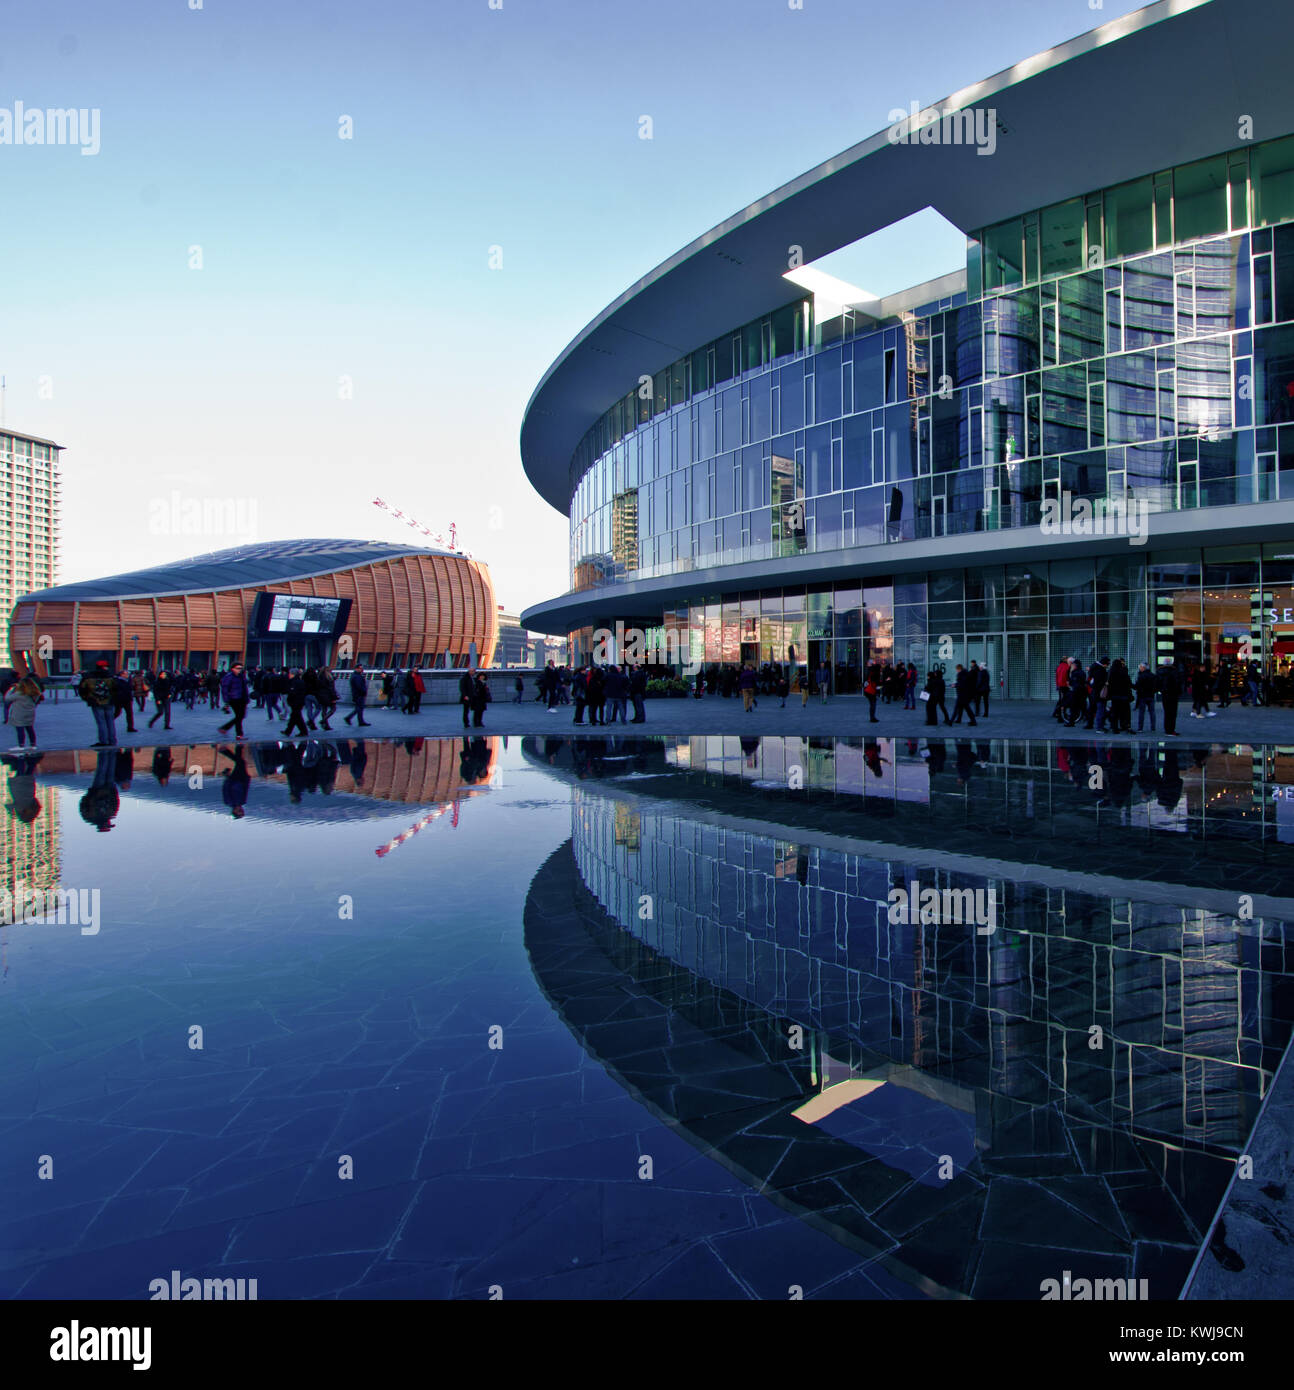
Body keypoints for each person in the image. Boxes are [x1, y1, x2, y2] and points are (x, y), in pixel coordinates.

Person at [79, 661, 119, 747]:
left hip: (95, 702)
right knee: (110, 722)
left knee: (101, 722)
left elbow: (82, 689)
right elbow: (117, 689)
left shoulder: (88, 677)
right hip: (109, 702)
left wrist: (87, 698)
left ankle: (103, 741)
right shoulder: (111, 676)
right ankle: (112, 740)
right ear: (105, 667)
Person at [4, 674, 42, 749]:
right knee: (30, 728)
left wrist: (10, 690)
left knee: (20, 729)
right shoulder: (35, 694)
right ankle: (33, 745)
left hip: (19, 714)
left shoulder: (19, 694)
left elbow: (7, 699)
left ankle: (21, 745)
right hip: (30, 713)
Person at [218, 661, 252, 739]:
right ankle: (238, 734)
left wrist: (247, 698)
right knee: (239, 716)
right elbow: (225, 689)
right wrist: (226, 701)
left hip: (242, 698)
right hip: (234, 699)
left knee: (240, 716)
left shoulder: (241, 676)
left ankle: (228, 729)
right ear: (233, 668)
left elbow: (245, 687)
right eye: (238, 668)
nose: (240, 670)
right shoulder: (229, 677)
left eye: (241, 668)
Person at [1105, 658, 1133, 733]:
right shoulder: (1123, 672)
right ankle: (1124, 725)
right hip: (1123, 695)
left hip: (1114, 695)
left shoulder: (1111, 672)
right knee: (1124, 712)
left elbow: (1109, 684)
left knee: (1115, 712)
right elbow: (1128, 683)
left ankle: (1114, 727)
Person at [1084, 656, 1109, 732]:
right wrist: (1105, 683)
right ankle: (1099, 727)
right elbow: (1099, 682)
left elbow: (1091, 682)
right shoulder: (1100, 670)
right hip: (1099, 693)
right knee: (1100, 710)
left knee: (1096, 709)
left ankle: (1094, 724)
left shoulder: (1094, 669)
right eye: (1107, 664)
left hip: (1094, 692)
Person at [1157, 658, 1180, 736]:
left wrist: (1161, 690)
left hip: (1165, 694)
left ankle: (1167, 729)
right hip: (1173, 694)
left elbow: (1158, 683)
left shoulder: (1160, 671)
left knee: (1167, 712)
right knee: (1173, 713)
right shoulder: (1174, 671)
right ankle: (1171, 729)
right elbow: (1177, 683)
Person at [1133, 662, 1157, 732]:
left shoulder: (1141, 676)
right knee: (1152, 712)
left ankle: (1140, 728)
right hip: (1151, 695)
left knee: (1141, 712)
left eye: (1140, 667)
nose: (1139, 668)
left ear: (1143, 668)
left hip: (1142, 696)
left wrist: (1132, 686)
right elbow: (1156, 686)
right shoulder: (1153, 675)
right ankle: (1153, 727)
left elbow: (1137, 686)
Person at [113, 669, 137, 734]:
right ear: (122, 674)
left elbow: (131, 688)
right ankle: (109, 722)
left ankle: (130, 727)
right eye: (126, 674)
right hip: (119, 699)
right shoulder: (117, 681)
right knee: (117, 713)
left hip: (128, 699)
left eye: (128, 674)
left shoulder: (129, 680)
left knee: (129, 713)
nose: (127, 675)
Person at [1053, 656, 1071, 721]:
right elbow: (1067, 677)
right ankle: (1060, 715)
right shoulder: (1067, 667)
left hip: (1060, 685)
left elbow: (1057, 677)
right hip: (1065, 685)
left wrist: (1057, 685)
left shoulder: (1059, 667)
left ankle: (1057, 713)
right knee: (1064, 700)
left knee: (1061, 700)